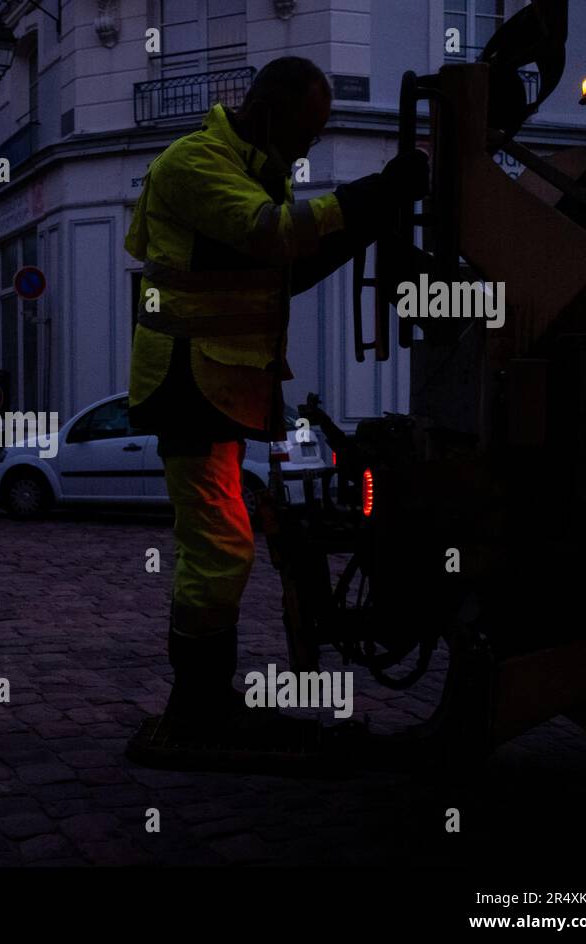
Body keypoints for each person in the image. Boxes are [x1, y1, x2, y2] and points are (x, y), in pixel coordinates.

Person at [121, 57, 429, 769]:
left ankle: (203, 704)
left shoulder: (253, 163)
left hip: (217, 381)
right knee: (218, 547)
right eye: (302, 133)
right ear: (264, 112)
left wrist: (366, 213)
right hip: (185, 382)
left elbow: (281, 266)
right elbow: (271, 234)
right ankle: (197, 711)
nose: (306, 150)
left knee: (223, 543)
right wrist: (373, 195)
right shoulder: (192, 164)